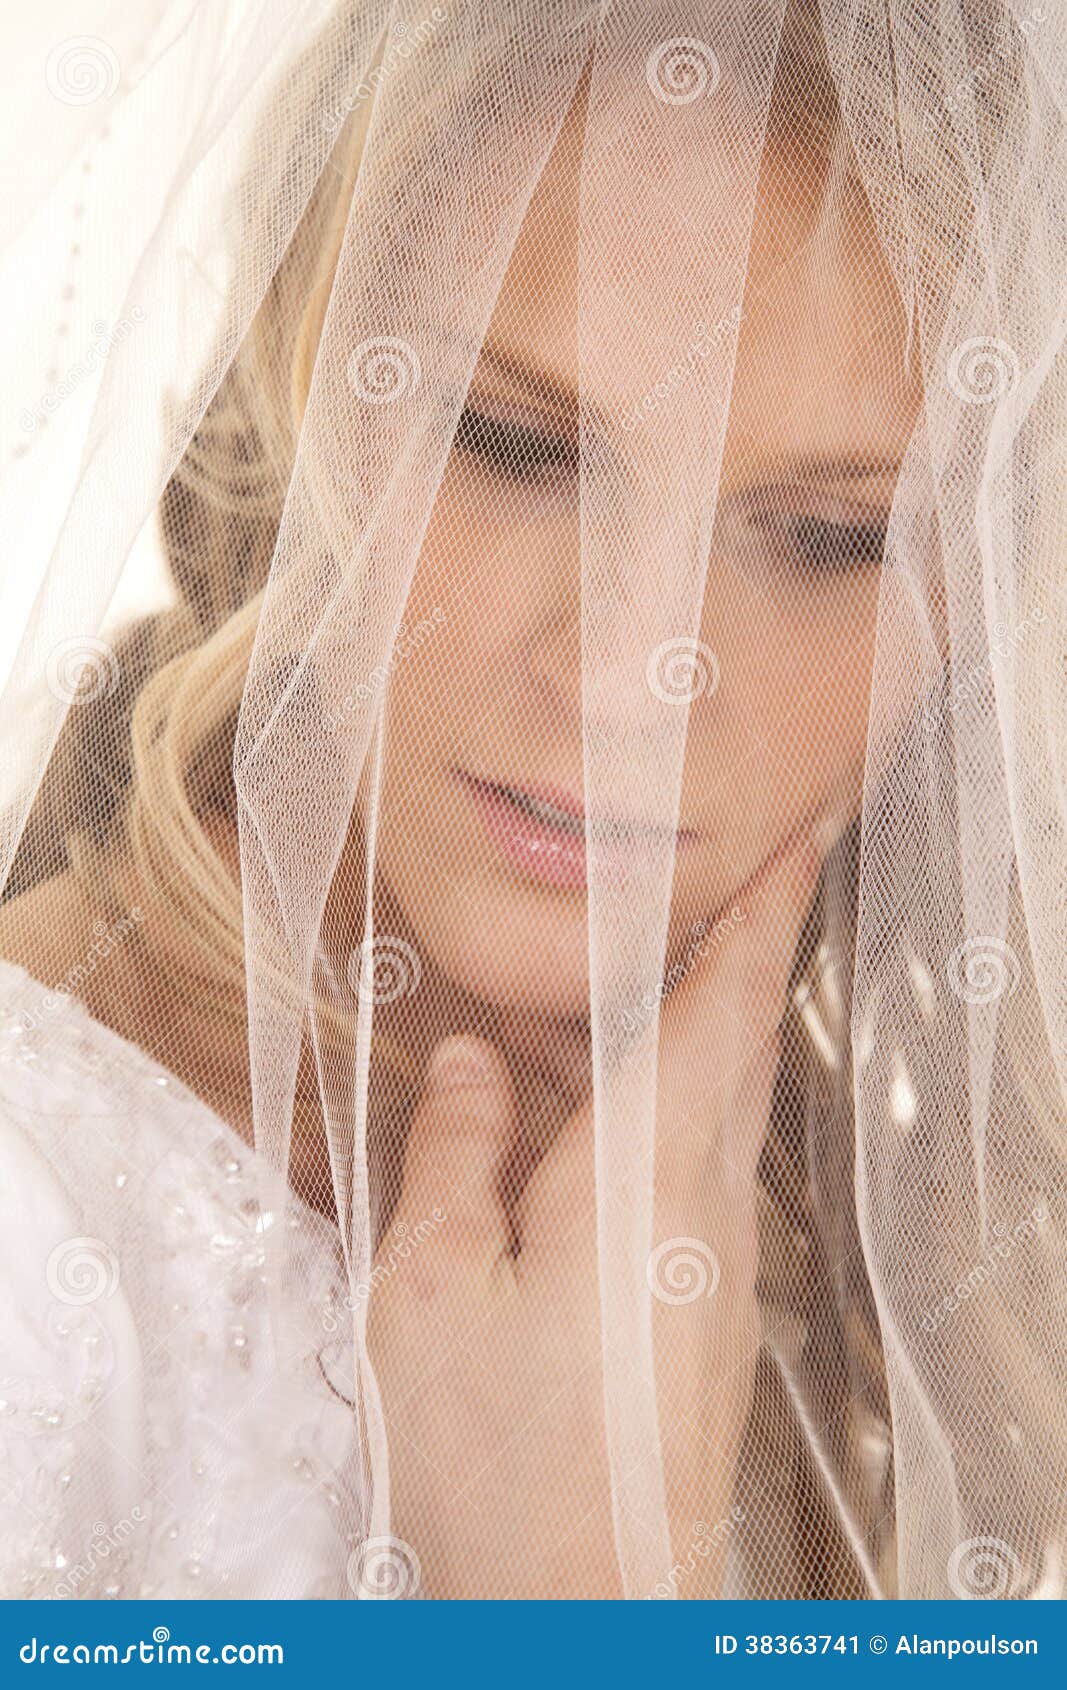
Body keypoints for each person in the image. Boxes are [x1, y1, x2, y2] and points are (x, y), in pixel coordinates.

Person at [0, 0, 1062, 1600]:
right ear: (309, 377)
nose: (636, 670)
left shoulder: (852, 1243)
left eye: (829, 537)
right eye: (516, 444)